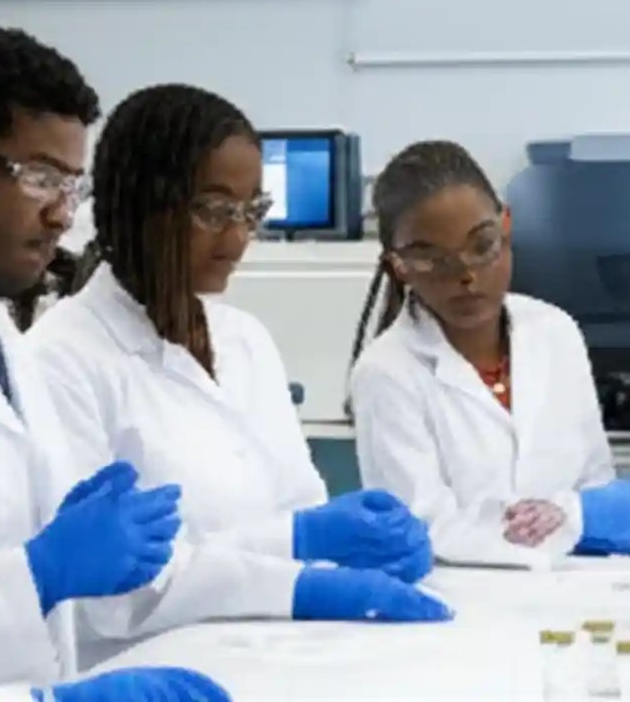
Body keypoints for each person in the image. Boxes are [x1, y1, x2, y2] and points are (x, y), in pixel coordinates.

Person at [24, 82, 451, 667]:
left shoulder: (245, 340)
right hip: (145, 670)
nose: (240, 235)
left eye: (252, 210)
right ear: (142, 204)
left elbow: (302, 503)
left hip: (276, 652)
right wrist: (298, 560)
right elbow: (111, 592)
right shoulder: (62, 358)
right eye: (215, 210)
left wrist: (346, 545)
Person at [0, 25, 230, 702]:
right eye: (39, 177)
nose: (63, 215)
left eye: (72, 184)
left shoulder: (7, 344)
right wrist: (38, 574)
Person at [348, 140, 630, 568]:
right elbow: (422, 529)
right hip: (461, 601)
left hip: (576, 588)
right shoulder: (386, 372)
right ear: (399, 266)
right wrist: (559, 527)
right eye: (433, 260)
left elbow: (593, 483)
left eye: (482, 246)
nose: (466, 276)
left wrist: (578, 514)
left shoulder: (555, 332)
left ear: (506, 227)